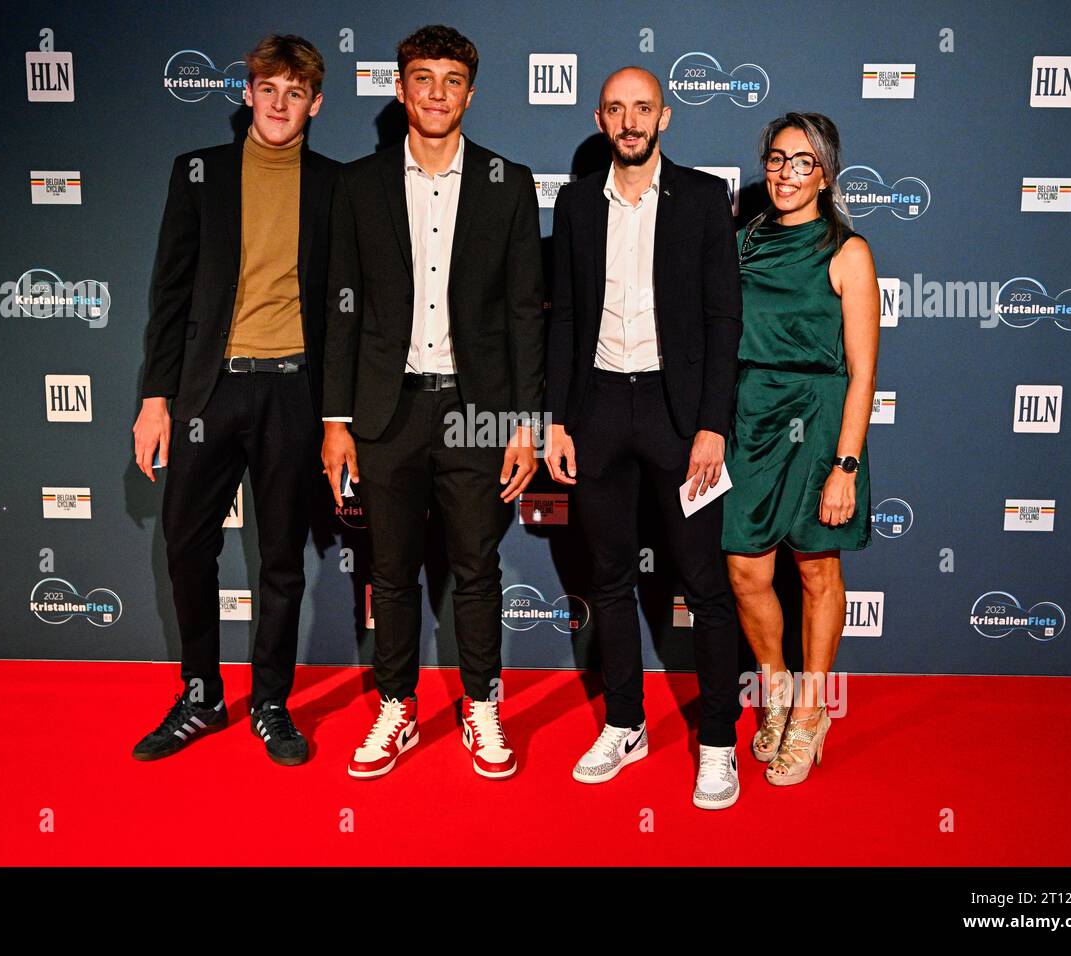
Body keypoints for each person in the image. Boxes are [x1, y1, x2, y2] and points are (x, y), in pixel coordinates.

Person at [321, 25, 544, 780]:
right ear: (400, 87)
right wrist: (334, 420)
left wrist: (525, 423)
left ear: (470, 93)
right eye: (423, 78)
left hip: (476, 410)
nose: (438, 93)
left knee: (478, 567)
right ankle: (398, 706)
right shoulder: (359, 185)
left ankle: (482, 705)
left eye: (452, 80)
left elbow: (524, 312)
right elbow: (341, 312)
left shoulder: (506, 183)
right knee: (389, 571)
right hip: (386, 409)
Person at [130, 34, 340, 766]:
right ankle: (201, 694)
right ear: (248, 93)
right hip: (208, 389)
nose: (280, 104)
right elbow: (170, 294)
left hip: (293, 390)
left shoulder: (334, 183)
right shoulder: (198, 174)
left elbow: (345, 310)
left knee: (280, 556)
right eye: (267, 88)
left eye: (295, 93)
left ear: (314, 103)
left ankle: (273, 701)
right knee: (187, 544)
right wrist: (156, 398)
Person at [544, 67, 744, 810]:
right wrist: (556, 419)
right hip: (597, 410)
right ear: (601, 119)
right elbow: (562, 316)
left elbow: (726, 321)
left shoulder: (700, 199)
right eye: (618, 109)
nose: (631, 121)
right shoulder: (573, 203)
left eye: (644, 109)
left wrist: (711, 425)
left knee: (706, 585)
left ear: (665, 118)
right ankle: (625, 723)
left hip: (678, 415)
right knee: (609, 581)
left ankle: (718, 741)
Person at [722, 112, 879, 786]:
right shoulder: (742, 243)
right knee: (745, 569)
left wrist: (845, 465)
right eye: (778, 159)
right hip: (751, 412)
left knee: (817, 569)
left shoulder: (848, 252)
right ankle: (776, 685)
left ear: (826, 172)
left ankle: (811, 710)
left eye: (803, 162)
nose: (787, 173)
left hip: (819, 420)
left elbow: (863, 371)